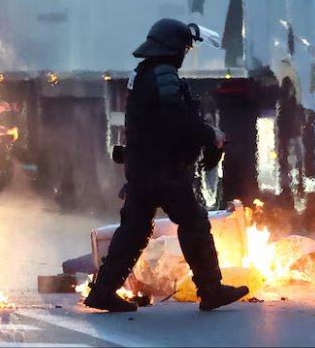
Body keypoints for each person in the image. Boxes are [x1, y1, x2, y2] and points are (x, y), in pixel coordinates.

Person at [84, 18, 249, 313]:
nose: (185, 54)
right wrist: (210, 134)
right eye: (184, 48)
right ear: (174, 49)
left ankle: (103, 291)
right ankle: (210, 289)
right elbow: (176, 118)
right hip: (162, 170)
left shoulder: (145, 74)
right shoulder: (163, 75)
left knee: (134, 230)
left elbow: (167, 118)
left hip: (144, 168)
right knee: (194, 222)